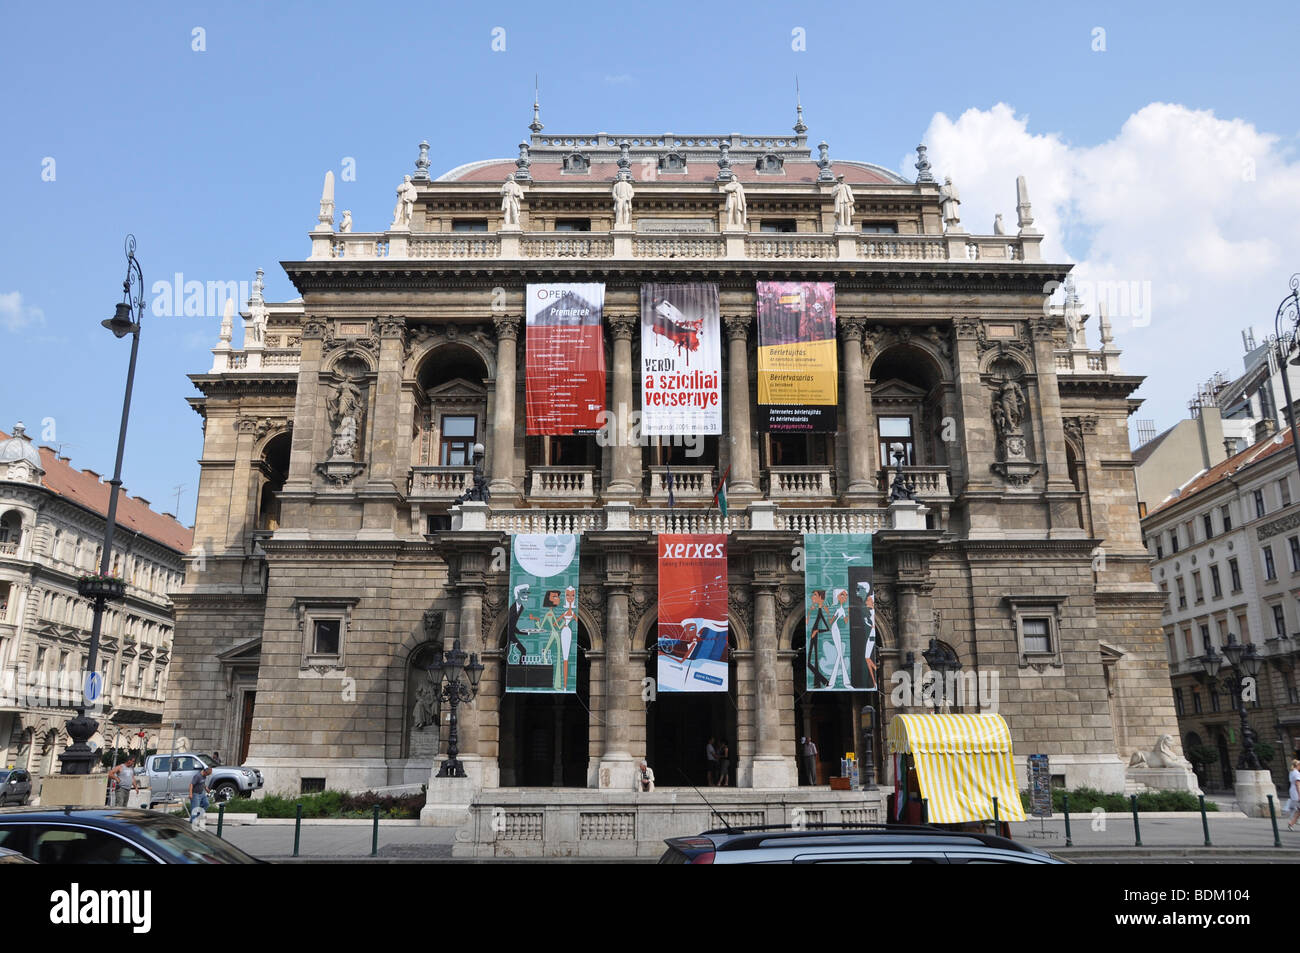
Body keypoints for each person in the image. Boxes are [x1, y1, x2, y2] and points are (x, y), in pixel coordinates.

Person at [189, 765, 213, 830]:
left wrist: (206, 788)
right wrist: (190, 794)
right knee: (195, 810)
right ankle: (192, 823)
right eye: (207, 774)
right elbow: (191, 784)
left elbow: (203, 783)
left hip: (202, 793)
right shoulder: (197, 776)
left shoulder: (204, 776)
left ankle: (196, 817)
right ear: (205, 772)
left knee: (206, 804)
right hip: (195, 794)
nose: (207, 776)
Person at [1288, 759, 1300, 830]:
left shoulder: (1291, 772)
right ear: (1297, 765)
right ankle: (1291, 823)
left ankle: (1291, 823)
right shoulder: (1296, 773)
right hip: (1296, 792)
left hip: (1292, 791)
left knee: (1299, 810)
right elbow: (1297, 784)